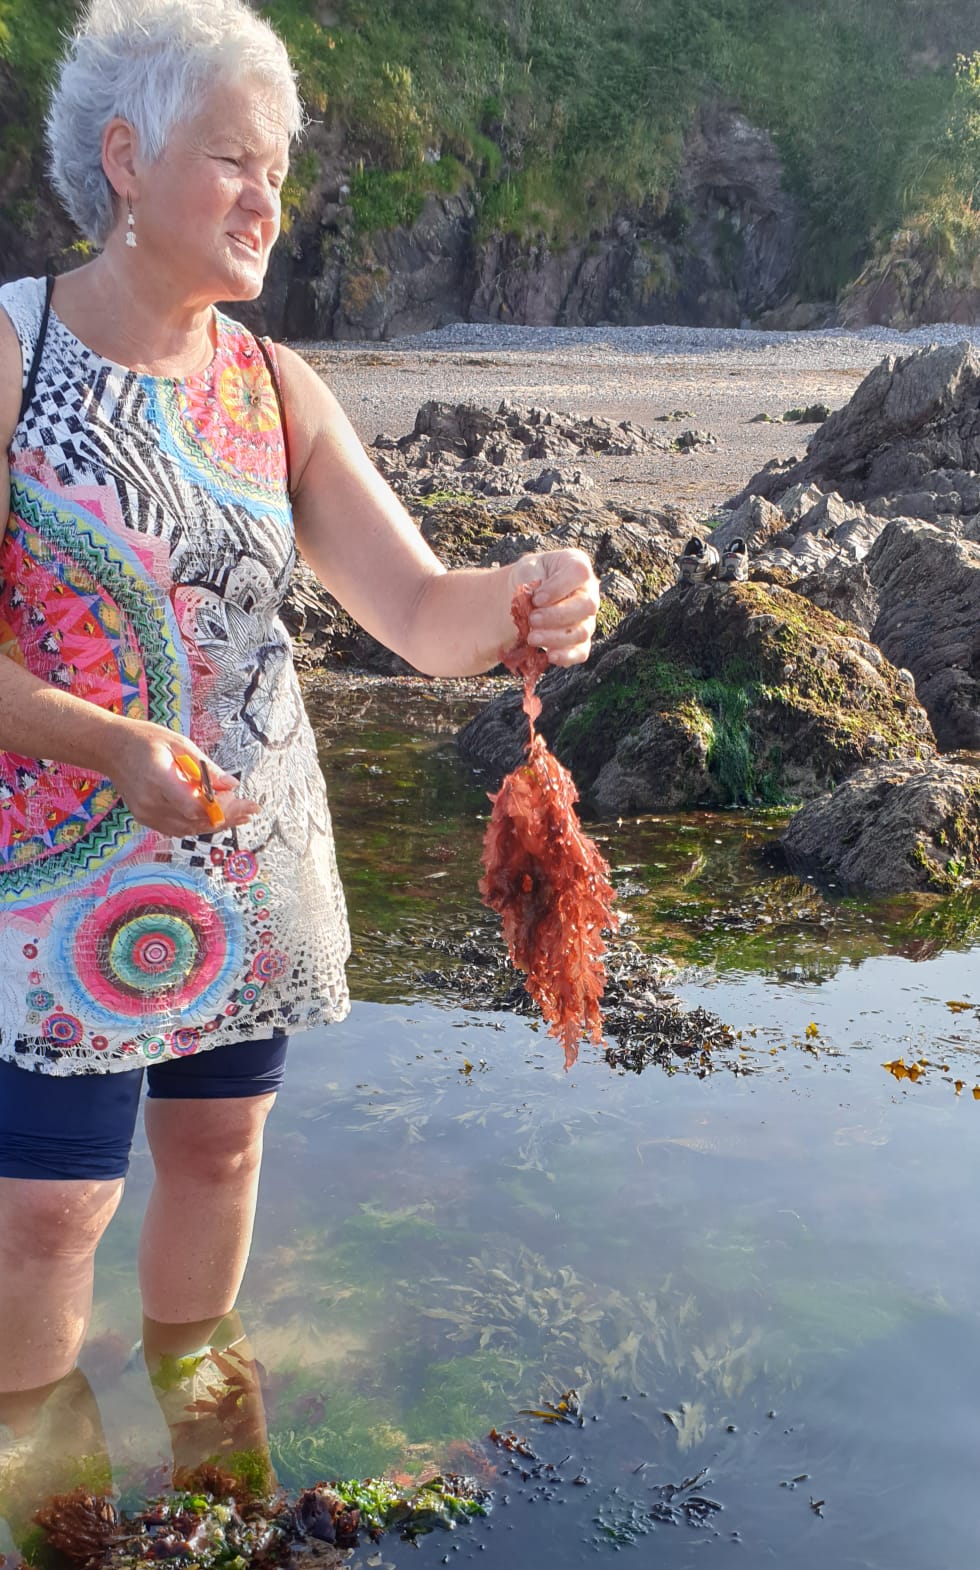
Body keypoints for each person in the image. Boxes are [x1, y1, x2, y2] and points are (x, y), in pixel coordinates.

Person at [0, 0, 598, 1461]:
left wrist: (529, 595)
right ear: (126, 158)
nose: (267, 199)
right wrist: (111, 746)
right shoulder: (13, 353)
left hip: (248, 857)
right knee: (50, 1211)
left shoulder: (275, 386)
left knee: (219, 1151)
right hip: (56, 874)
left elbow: (422, 614)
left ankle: (215, 1471)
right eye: (232, 162)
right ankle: (39, 1490)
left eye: (276, 170)